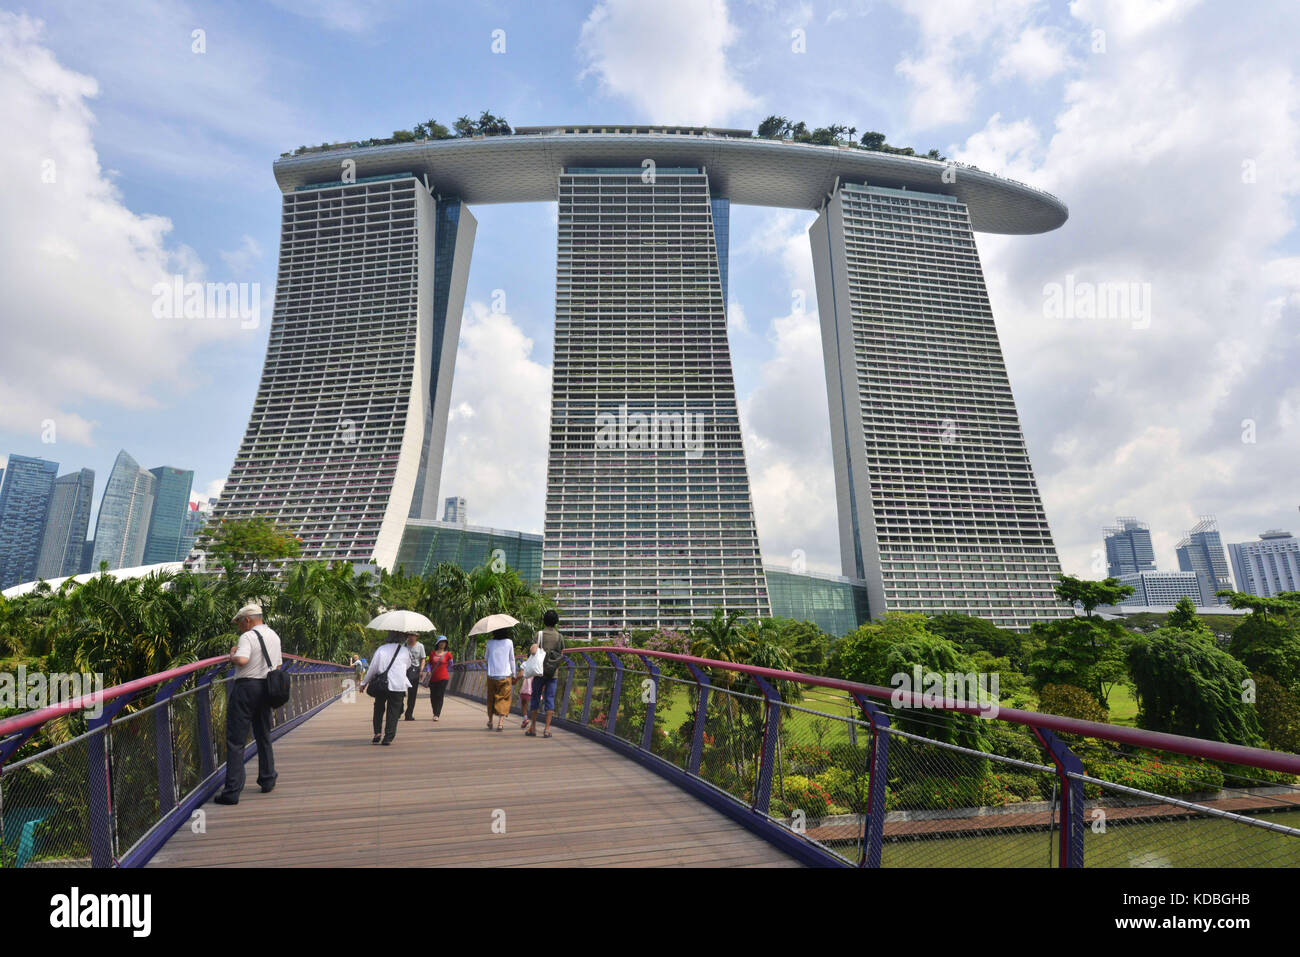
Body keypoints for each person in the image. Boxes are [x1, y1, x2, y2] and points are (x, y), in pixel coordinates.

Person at [213, 603, 282, 805]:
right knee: (263, 735)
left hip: (246, 688)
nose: (239, 627)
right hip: (266, 688)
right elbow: (278, 665)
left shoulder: (247, 637)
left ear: (248, 620)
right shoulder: (274, 636)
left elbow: (242, 660)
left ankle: (232, 791)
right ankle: (268, 779)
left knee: (236, 740)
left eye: (240, 623)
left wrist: (231, 655)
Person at [361, 631, 413, 745]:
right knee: (393, 711)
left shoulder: (381, 649)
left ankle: (377, 733)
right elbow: (408, 665)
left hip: (382, 684)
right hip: (398, 685)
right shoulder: (405, 651)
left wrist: (364, 683)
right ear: (401, 638)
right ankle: (388, 737)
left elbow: (373, 668)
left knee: (379, 707)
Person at [527, 610, 565, 739]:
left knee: (535, 698)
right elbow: (561, 653)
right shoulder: (559, 636)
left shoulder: (539, 634)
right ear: (556, 622)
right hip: (552, 673)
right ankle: (547, 729)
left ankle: (533, 727)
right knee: (550, 699)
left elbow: (532, 651)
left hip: (539, 672)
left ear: (544, 621)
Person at [484, 626, 516, 732]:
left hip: (492, 675)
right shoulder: (509, 642)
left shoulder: (489, 643)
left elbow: (486, 658)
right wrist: (514, 674)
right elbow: (512, 659)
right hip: (505, 675)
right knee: (504, 699)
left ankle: (490, 721)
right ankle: (500, 723)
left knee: (491, 698)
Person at [423, 636, 453, 721]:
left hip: (443, 678)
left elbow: (451, 664)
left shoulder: (448, 654)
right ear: (438, 643)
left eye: (444, 642)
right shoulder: (432, 653)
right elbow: (429, 664)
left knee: (440, 695)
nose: (443, 643)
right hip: (433, 678)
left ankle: (437, 714)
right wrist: (428, 670)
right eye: (441, 642)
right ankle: (434, 711)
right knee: (433, 696)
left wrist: (445, 670)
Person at [402, 632, 427, 721]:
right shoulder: (403, 645)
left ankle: (409, 714)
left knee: (412, 694)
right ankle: (400, 708)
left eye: (413, 635)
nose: (411, 637)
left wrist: (421, 670)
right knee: (400, 691)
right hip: (403, 670)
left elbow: (423, 658)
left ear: (416, 636)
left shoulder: (420, 646)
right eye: (409, 635)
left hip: (415, 670)